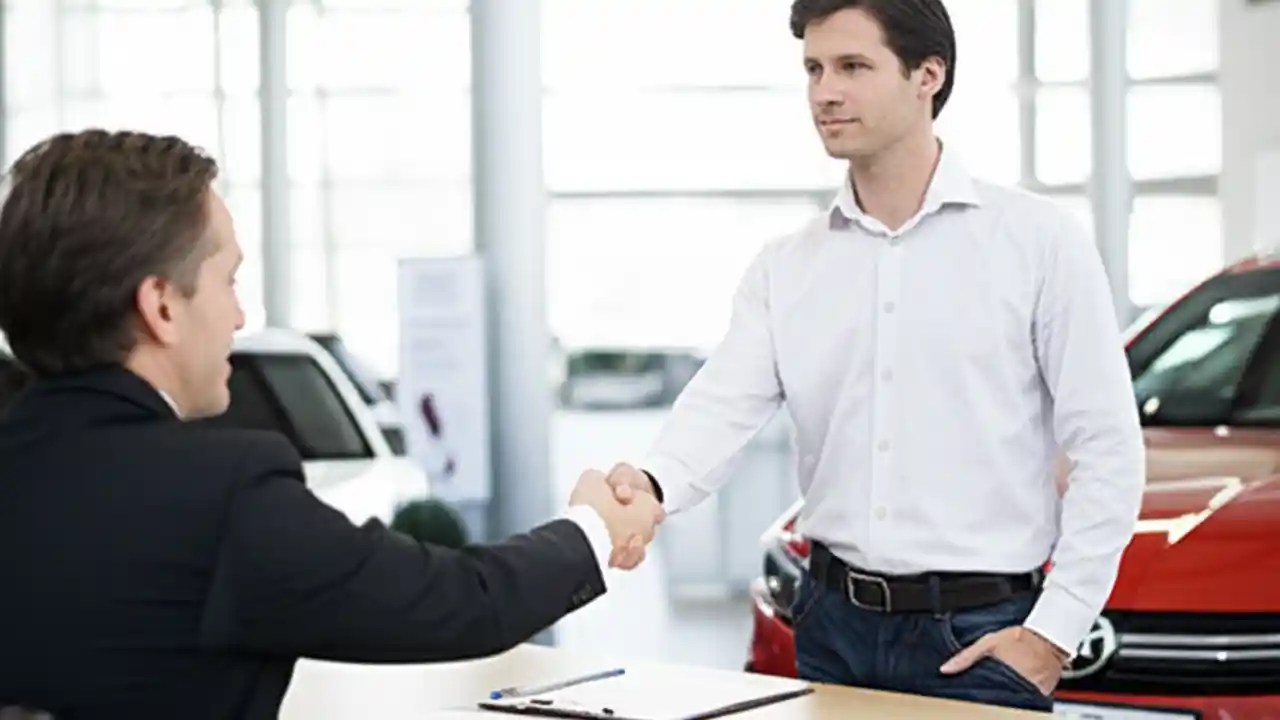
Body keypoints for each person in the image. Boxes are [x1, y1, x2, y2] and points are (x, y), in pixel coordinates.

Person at [0, 129, 665, 719]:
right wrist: (595, 529)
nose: (237, 317)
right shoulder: (219, 496)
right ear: (162, 307)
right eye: (229, 281)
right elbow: (466, 601)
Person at [603, 0, 1145, 713]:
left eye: (853, 67)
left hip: (981, 635)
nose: (824, 91)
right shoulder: (787, 266)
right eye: (814, 69)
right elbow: (721, 407)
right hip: (830, 624)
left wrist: (1054, 631)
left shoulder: (1040, 243)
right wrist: (650, 484)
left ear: (928, 75)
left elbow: (1107, 447)